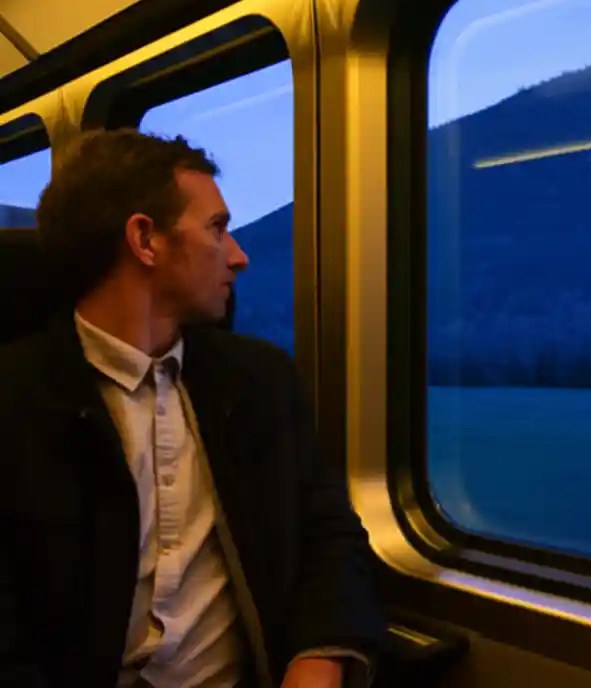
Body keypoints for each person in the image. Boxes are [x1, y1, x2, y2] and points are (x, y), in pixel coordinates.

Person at [0, 129, 385, 687]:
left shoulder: (259, 382)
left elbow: (331, 541)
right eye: (217, 229)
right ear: (145, 240)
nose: (240, 256)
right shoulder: (16, 401)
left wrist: (318, 660)